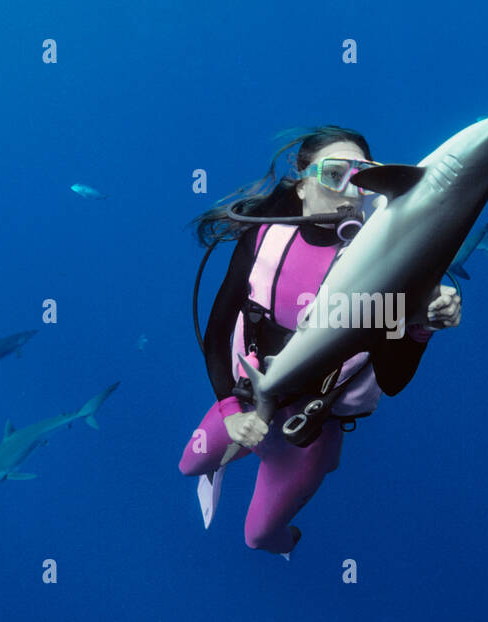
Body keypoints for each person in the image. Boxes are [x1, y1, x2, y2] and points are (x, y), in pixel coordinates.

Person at [179, 128, 461, 555]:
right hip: (247, 401)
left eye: (363, 176)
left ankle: (288, 540)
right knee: (190, 464)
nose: (350, 191)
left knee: (258, 537)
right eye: (334, 174)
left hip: (309, 429)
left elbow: (395, 377)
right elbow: (218, 331)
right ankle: (227, 456)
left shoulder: (384, 273)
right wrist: (231, 411)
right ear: (303, 183)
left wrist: (422, 326)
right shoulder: (264, 238)